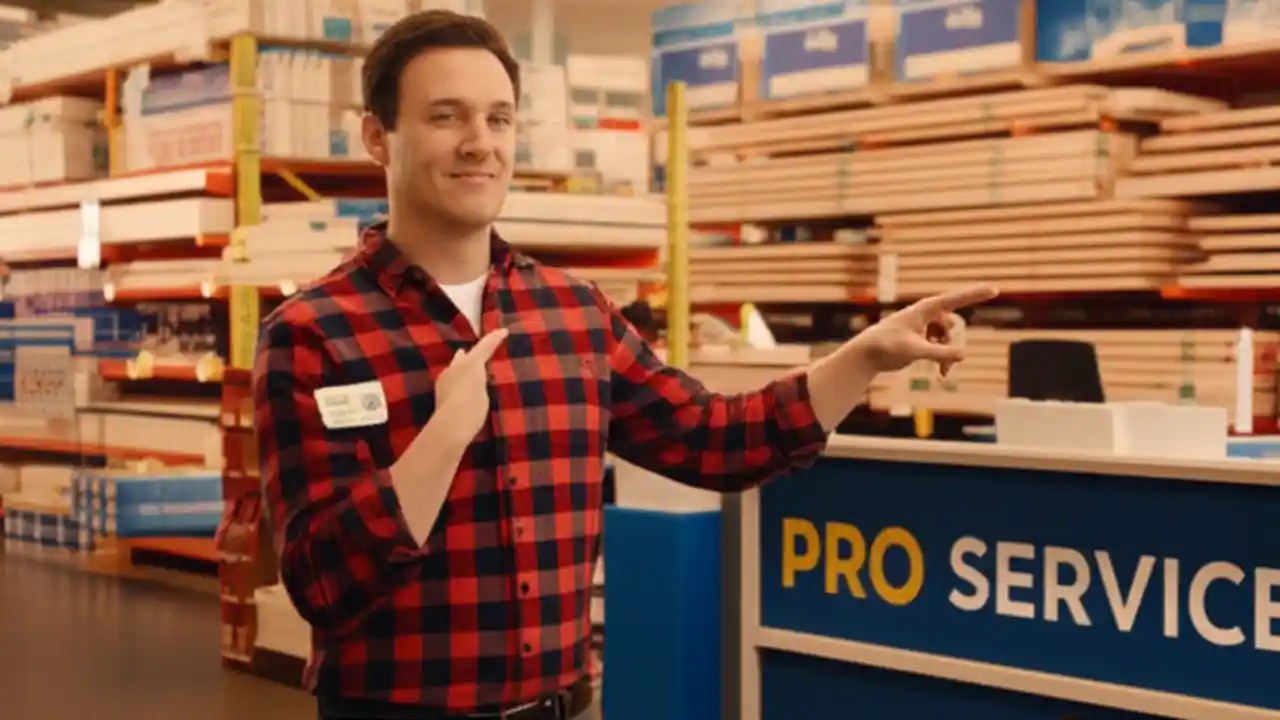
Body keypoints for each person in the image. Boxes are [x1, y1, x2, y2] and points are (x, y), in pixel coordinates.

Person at [252, 9, 997, 720]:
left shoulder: (573, 313)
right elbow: (321, 582)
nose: (480, 142)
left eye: (499, 118)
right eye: (446, 116)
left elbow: (719, 439)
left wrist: (865, 356)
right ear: (377, 137)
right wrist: (444, 437)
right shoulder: (314, 334)